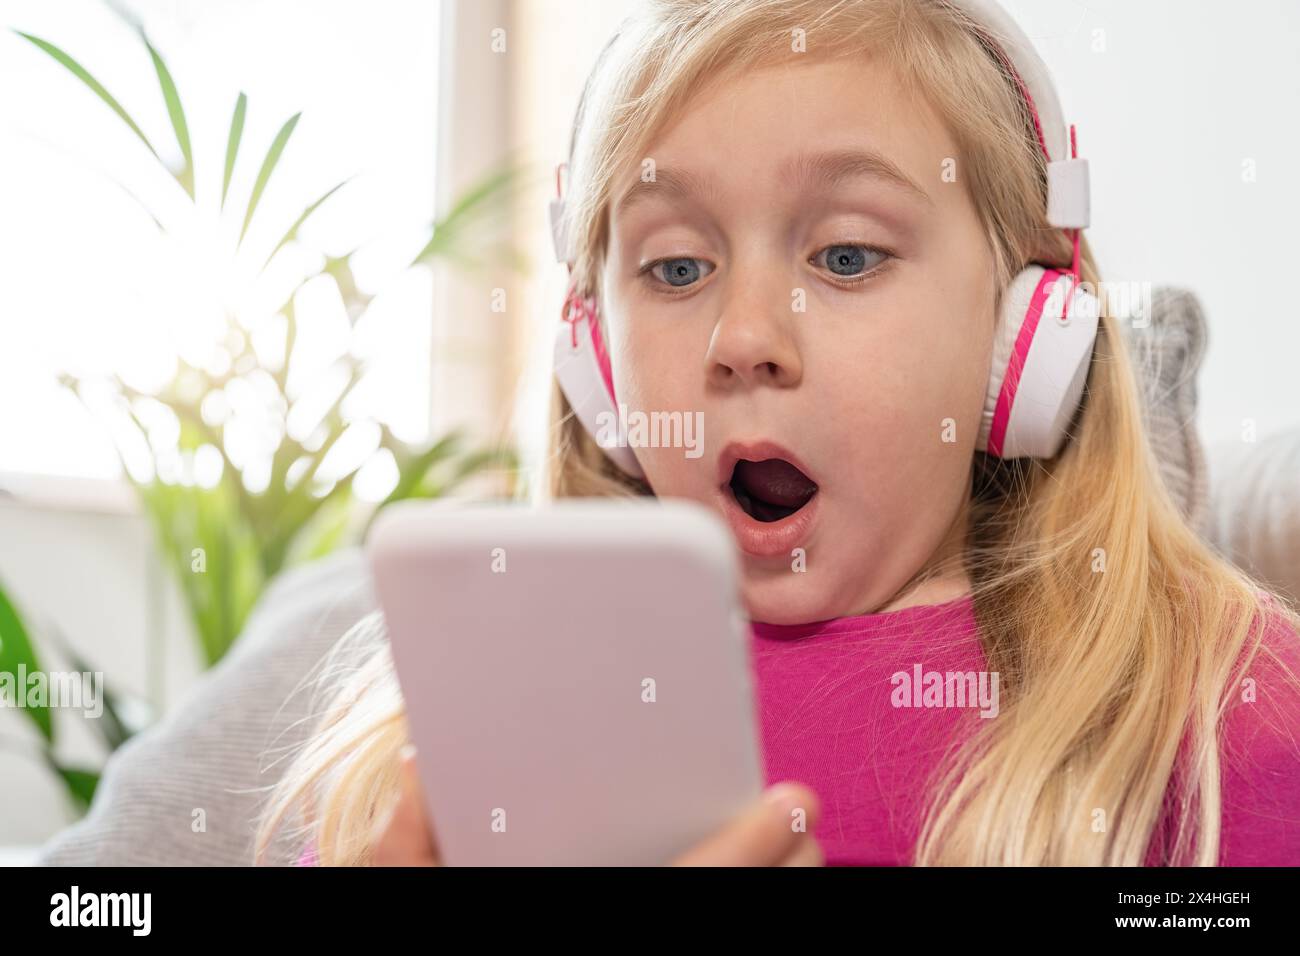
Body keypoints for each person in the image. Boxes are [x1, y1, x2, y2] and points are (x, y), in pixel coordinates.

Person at [256, 0, 1300, 867]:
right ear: (596, 358)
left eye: (845, 256)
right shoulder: (471, 717)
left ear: (1023, 326)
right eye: (675, 267)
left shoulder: (1214, 714)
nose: (744, 337)